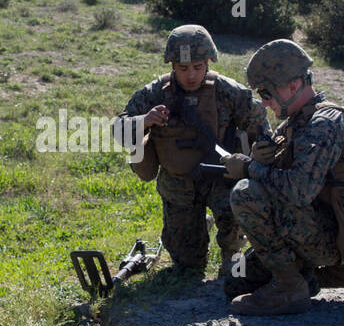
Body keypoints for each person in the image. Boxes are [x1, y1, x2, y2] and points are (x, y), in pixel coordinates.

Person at [221, 39, 344, 316]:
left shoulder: (325, 124)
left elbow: (298, 191)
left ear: (294, 86)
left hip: (334, 236)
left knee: (244, 192)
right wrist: (262, 158)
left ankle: (290, 288)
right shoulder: (297, 121)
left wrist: (250, 169)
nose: (263, 102)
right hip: (314, 226)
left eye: (266, 92)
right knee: (237, 284)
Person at [112, 25, 270, 278]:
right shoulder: (154, 92)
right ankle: (198, 230)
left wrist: (256, 167)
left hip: (222, 177)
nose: (191, 75)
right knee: (188, 265)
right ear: (172, 65)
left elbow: (261, 128)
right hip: (178, 182)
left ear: (208, 62)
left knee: (234, 212)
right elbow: (118, 128)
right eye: (183, 69)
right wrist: (145, 120)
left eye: (198, 67)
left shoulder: (228, 91)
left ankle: (231, 251)